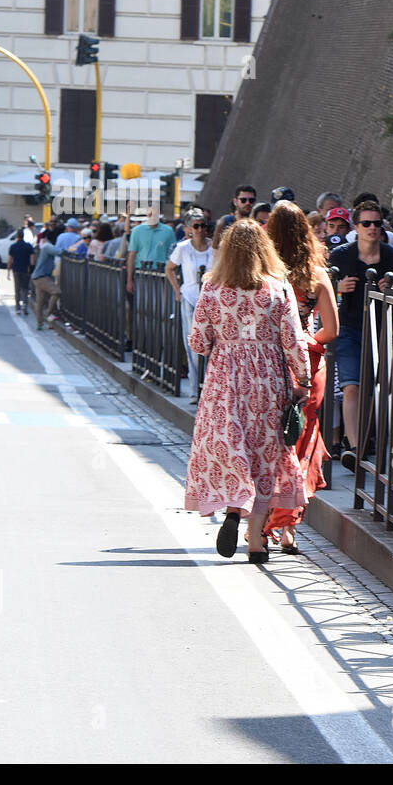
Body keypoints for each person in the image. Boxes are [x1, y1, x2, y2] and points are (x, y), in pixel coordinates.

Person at [185, 219, 312, 564]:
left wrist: (223, 340)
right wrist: (304, 379)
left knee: (231, 445)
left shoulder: (212, 287)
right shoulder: (277, 287)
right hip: (267, 379)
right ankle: (256, 540)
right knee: (265, 454)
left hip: (224, 380)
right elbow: (294, 339)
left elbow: (198, 342)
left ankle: (233, 505)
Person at [263, 201, 339, 553]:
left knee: (271, 442)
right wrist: (308, 339)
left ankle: (262, 523)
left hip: (271, 361)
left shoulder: (264, 273)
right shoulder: (317, 275)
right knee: (301, 439)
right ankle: (289, 526)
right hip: (309, 362)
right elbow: (333, 330)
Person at [326, 201, 393, 459]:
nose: (372, 228)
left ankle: (365, 439)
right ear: (356, 226)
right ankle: (355, 448)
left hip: (381, 330)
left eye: (377, 223)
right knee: (351, 386)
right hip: (348, 327)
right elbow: (324, 289)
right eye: (366, 224)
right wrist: (339, 288)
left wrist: (392, 293)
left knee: (373, 388)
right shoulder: (340, 255)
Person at [165, 211, 215, 403]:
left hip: (210, 301)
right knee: (192, 344)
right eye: (196, 226)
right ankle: (195, 390)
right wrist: (177, 290)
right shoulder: (183, 248)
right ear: (188, 229)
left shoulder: (213, 248)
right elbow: (169, 268)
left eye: (203, 226)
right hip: (190, 298)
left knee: (211, 344)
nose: (201, 230)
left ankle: (208, 388)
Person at [125, 207, 177, 295]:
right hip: (142, 272)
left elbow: (173, 254)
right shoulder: (137, 231)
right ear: (147, 215)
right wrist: (129, 280)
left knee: (162, 303)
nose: (152, 217)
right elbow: (132, 255)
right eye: (150, 214)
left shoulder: (168, 231)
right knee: (143, 302)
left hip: (163, 273)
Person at [31, 227, 64, 331]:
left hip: (38, 277)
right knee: (56, 292)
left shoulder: (45, 246)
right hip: (42, 277)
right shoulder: (47, 246)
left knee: (40, 302)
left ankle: (39, 324)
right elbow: (60, 252)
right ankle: (48, 314)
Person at [8, 230, 34, 315]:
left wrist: (8, 271)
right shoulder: (28, 246)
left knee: (17, 289)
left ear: (17, 236)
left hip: (16, 269)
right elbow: (32, 260)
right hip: (26, 269)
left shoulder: (13, 246)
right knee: (25, 289)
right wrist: (31, 268)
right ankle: (25, 306)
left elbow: (9, 260)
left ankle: (18, 308)